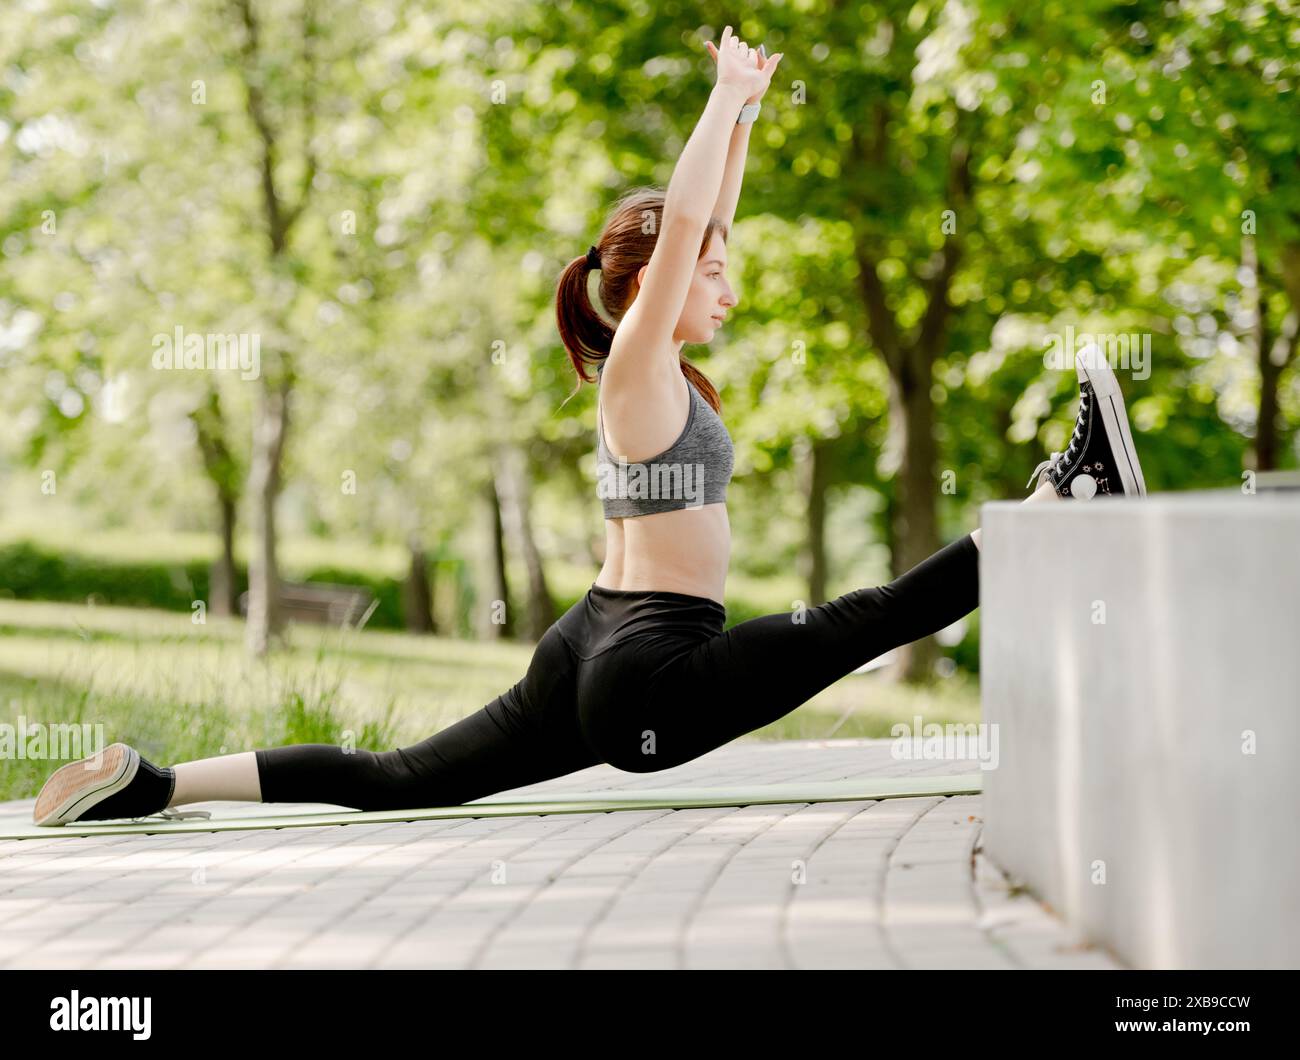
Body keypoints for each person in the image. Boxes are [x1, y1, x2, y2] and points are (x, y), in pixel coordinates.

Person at [32, 28, 1146, 828]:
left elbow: (707, 218)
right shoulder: (638, 369)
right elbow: (690, 227)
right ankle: (1067, 494)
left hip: (593, 643)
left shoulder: (651, 376)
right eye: (713, 270)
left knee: (403, 775)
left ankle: (157, 782)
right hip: (647, 666)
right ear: (653, 283)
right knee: (863, 618)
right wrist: (719, 102)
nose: (728, 285)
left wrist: (747, 115)